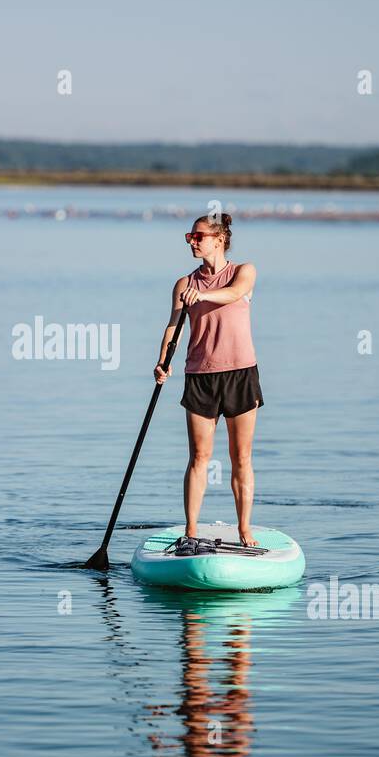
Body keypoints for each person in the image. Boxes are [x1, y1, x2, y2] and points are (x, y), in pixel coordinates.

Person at [153, 213, 262, 546]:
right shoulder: (185, 284)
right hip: (200, 375)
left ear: (220, 239)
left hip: (240, 373)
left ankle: (245, 530)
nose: (193, 242)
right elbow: (174, 326)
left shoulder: (244, 271)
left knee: (240, 456)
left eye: (198, 236)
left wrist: (203, 297)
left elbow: (233, 294)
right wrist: (162, 362)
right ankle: (191, 532)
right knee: (199, 457)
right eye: (190, 237)